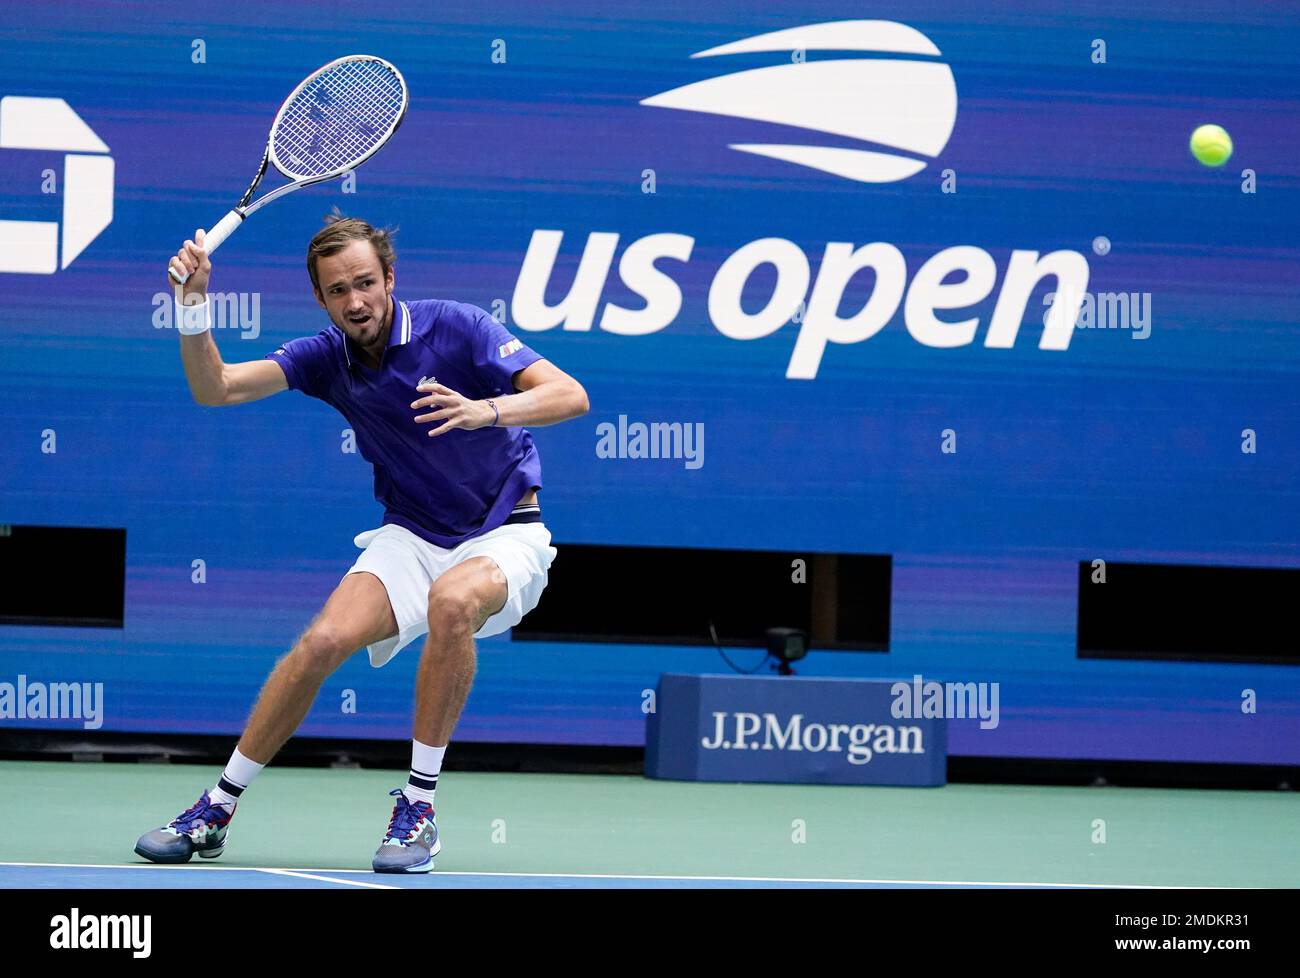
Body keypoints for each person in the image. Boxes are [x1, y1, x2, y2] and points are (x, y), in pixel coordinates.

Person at [134, 215, 588, 873]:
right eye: (339, 290)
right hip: (413, 533)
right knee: (320, 643)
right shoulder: (326, 358)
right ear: (322, 299)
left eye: (366, 284)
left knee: (452, 604)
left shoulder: (457, 327)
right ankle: (218, 808)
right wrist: (194, 303)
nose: (356, 301)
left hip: (505, 533)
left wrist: (483, 409)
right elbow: (217, 388)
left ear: (390, 280)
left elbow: (569, 395)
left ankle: (418, 811)